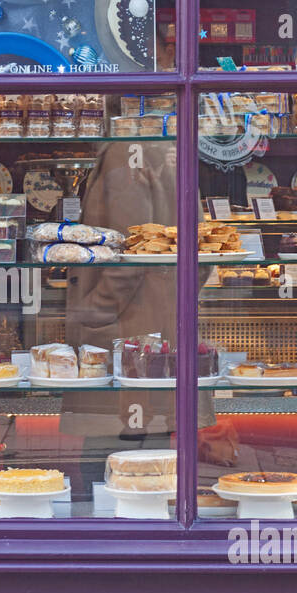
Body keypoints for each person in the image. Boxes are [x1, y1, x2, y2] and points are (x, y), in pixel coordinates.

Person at [62, 140, 217, 497]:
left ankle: (109, 540)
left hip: (125, 327)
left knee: (110, 459)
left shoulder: (125, 152)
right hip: (160, 324)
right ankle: (151, 537)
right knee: (155, 455)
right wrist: (175, 300)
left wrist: (95, 308)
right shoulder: (173, 150)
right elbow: (201, 251)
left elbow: (128, 252)